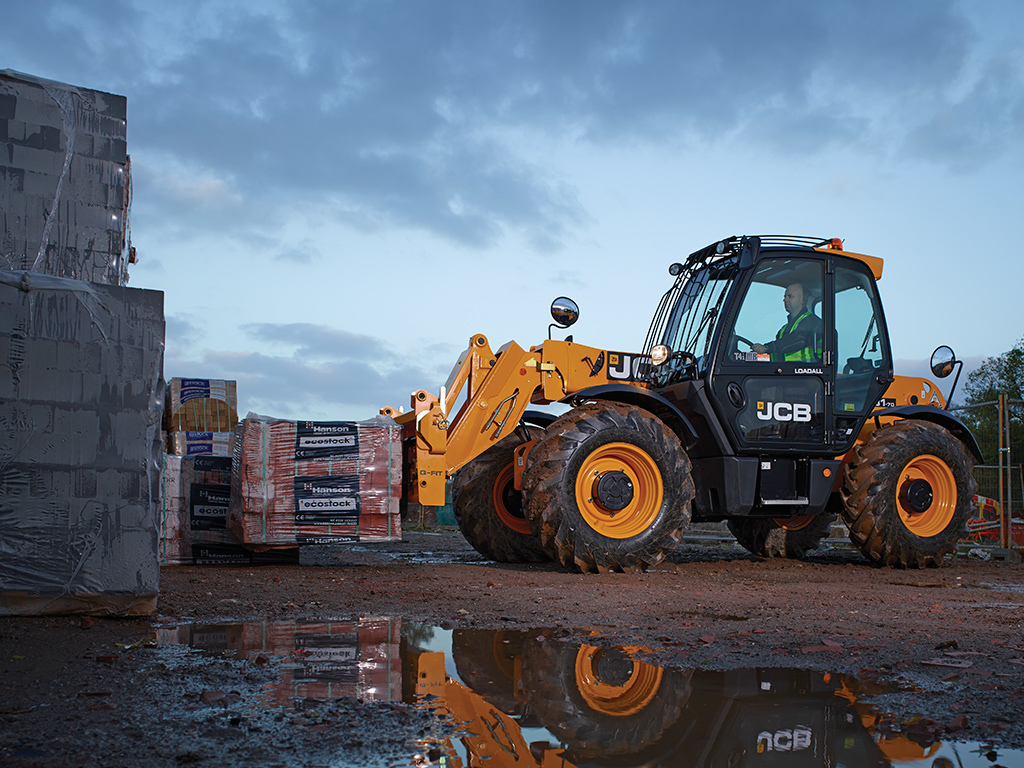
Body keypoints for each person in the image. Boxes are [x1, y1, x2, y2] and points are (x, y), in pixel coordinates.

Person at [752, 283, 822, 362]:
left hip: (808, 372)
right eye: (785, 297)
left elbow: (798, 338)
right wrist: (754, 357)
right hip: (787, 372)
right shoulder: (783, 330)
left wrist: (766, 348)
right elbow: (776, 355)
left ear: (802, 299)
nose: (785, 300)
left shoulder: (812, 322)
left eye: (790, 296)